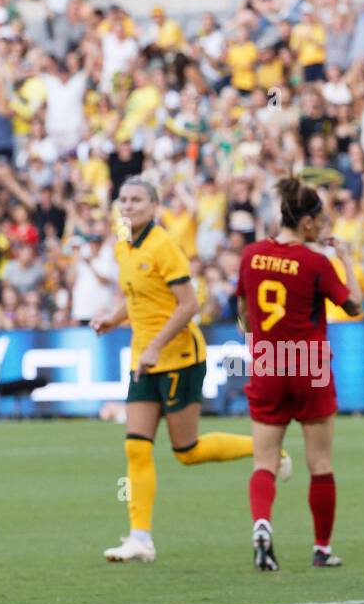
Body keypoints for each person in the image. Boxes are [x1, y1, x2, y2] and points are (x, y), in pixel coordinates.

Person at [93, 177, 262, 563]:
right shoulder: (123, 244)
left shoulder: (164, 245)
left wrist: (155, 345)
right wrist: (112, 319)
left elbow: (188, 305)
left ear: (154, 206)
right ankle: (140, 539)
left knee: (186, 450)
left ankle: (264, 448)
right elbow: (138, 296)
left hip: (180, 358)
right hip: (145, 359)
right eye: (123, 199)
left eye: (137, 199)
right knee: (136, 446)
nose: (128, 205)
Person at [236, 177, 363, 571]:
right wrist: (344, 258)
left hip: (268, 364)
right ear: (306, 222)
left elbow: (243, 313)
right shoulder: (315, 262)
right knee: (320, 463)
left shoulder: (251, 255)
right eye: (320, 218)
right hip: (308, 366)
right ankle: (322, 548)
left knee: (264, 461)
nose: (324, 225)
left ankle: (262, 524)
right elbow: (355, 306)